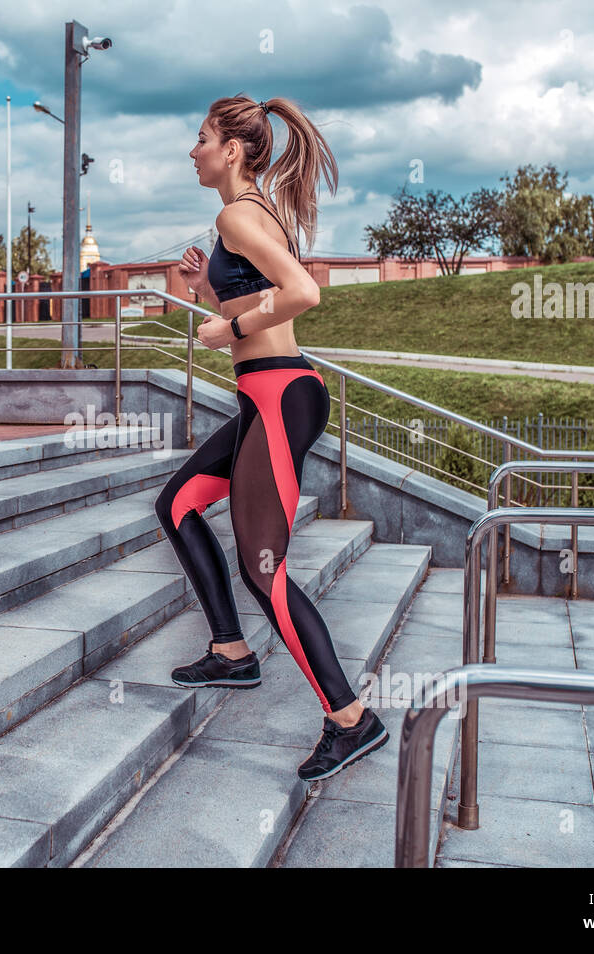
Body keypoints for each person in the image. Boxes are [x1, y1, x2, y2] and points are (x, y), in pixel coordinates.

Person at [154, 93, 388, 782]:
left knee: (264, 566)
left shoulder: (237, 213)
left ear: (231, 148)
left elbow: (302, 294)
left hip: (282, 396)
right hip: (265, 396)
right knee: (177, 504)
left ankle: (351, 719)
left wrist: (226, 328)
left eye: (200, 138)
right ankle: (231, 650)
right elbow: (264, 300)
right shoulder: (248, 215)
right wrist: (208, 291)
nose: (191, 150)